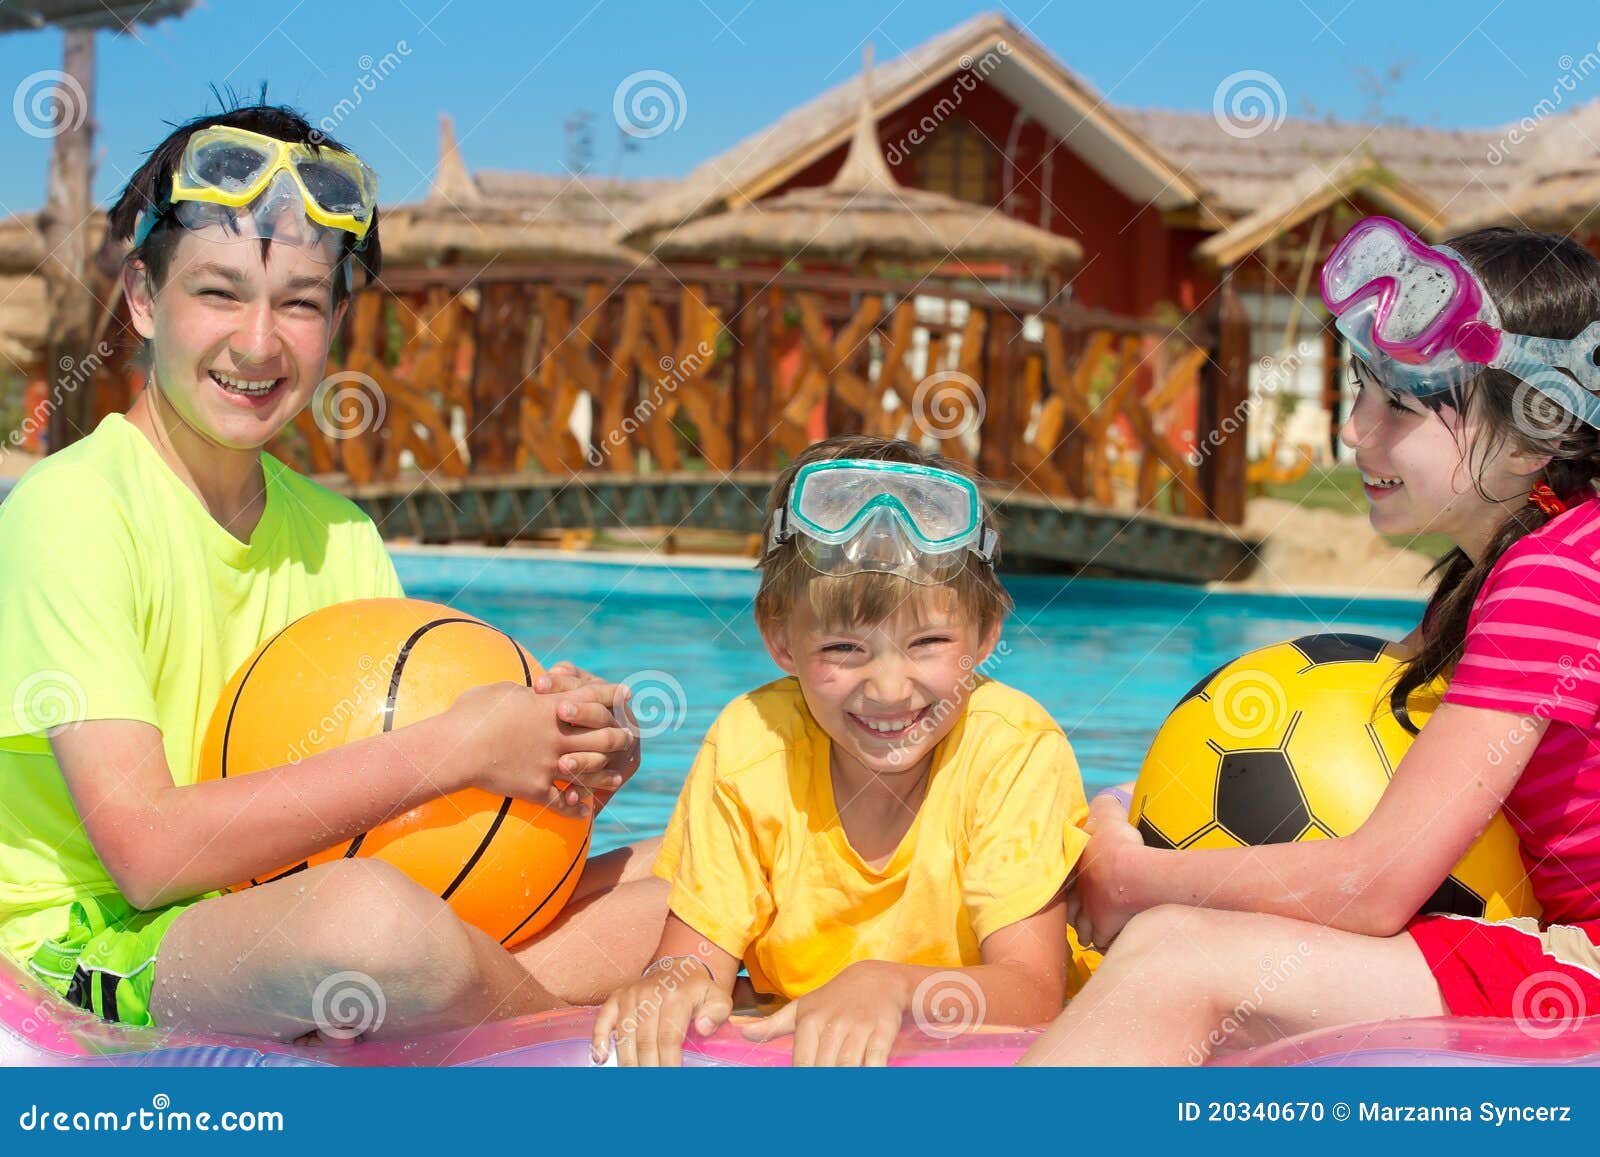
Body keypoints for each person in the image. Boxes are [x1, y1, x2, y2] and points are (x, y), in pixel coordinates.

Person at [0, 104, 665, 1044]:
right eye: (220, 293)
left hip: (284, 905)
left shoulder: (341, 535)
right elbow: (145, 854)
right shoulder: (71, 509)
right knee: (374, 925)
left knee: (697, 864)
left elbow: (394, 802)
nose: (260, 341)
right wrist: (462, 747)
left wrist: (564, 755)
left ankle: (470, 1003)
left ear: (338, 319)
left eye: (301, 302)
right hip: (95, 943)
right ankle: (538, 1031)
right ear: (144, 300)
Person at [1023, 217, 1600, 1064]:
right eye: (1360, 390)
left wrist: (1134, 880)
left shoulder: (1550, 584)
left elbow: (1374, 885)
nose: (1356, 431)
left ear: (1533, 434)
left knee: (1179, 958)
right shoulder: (1535, 564)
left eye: (1400, 406)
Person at [593, 435, 1090, 1067]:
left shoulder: (1013, 753)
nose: (888, 689)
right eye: (842, 649)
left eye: (929, 642)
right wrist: (672, 980)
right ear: (781, 640)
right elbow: (693, 959)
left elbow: (1035, 994)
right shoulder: (752, 744)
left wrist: (893, 988)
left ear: (986, 635)